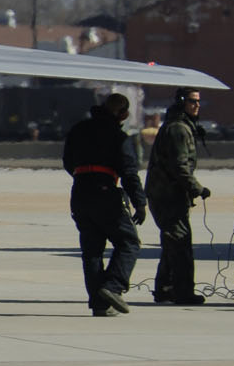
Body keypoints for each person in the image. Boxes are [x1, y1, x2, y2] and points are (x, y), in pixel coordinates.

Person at [62, 93, 146, 316]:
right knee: (129, 242)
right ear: (124, 114)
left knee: (92, 250)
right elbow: (129, 173)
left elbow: (67, 162)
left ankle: (99, 305)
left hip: (79, 192)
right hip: (105, 191)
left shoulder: (78, 129)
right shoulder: (118, 136)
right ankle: (113, 287)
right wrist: (140, 203)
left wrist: (84, 178)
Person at [145, 87, 212, 304]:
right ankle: (182, 292)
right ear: (182, 102)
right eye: (193, 101)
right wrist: (197, 188)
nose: (197, 105)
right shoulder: (178, 129)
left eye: (199, 102)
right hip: (167, 196)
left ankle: (164, 288)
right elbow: (179, 166)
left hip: (168, 194)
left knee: (172, 241)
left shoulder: (179, 126)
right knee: (180, 242)